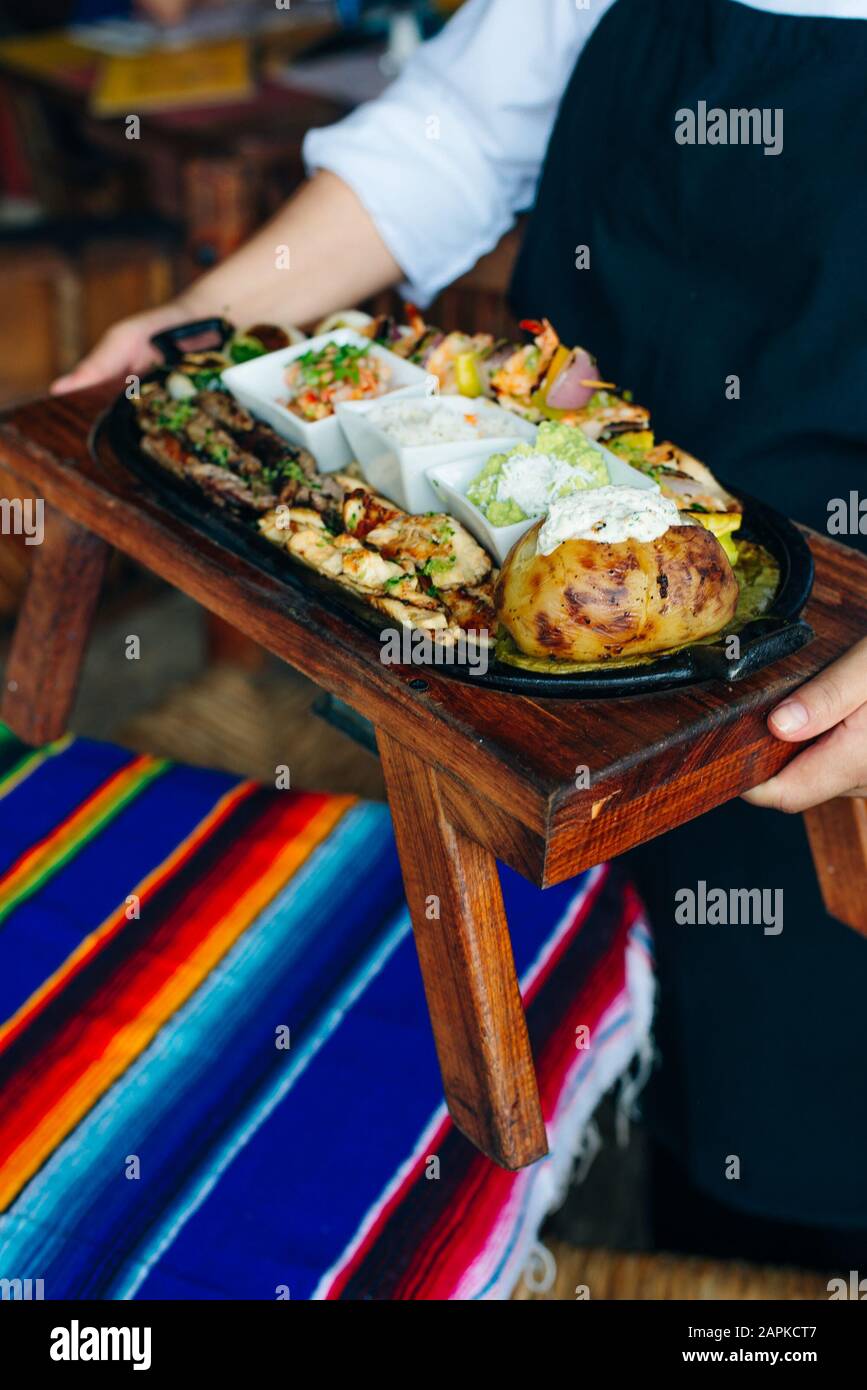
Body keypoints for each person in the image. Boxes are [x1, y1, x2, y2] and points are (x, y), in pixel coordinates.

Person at [54, 0, 867, 1266]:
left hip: (833, 666)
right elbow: (455, 132)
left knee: (811, 1114)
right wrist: (199, 328)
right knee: (630, 1043)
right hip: (557, 620)